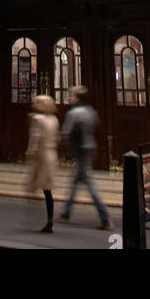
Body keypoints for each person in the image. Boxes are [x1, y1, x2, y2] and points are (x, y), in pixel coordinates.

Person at [59, 85, 110, 229]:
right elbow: (96, 126)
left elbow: (66, 133)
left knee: (88, 183)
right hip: (90, 148)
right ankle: (66, 211)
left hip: (80, 151)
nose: (69, 98)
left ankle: (104, 216)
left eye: (71, 95)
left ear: (77, 98)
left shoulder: (74, 114)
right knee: (76, 180)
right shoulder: (90, 111)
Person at [25, 94, 59, 234]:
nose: (34, 104)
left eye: (37, 102)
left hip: (41, 156)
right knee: (47, 190)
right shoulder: (54, 120)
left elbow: (35, 138)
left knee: (35, 186)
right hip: (51, 155)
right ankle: (49, 220)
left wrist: (29, 153)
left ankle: (38, 216)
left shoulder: (38, 119)